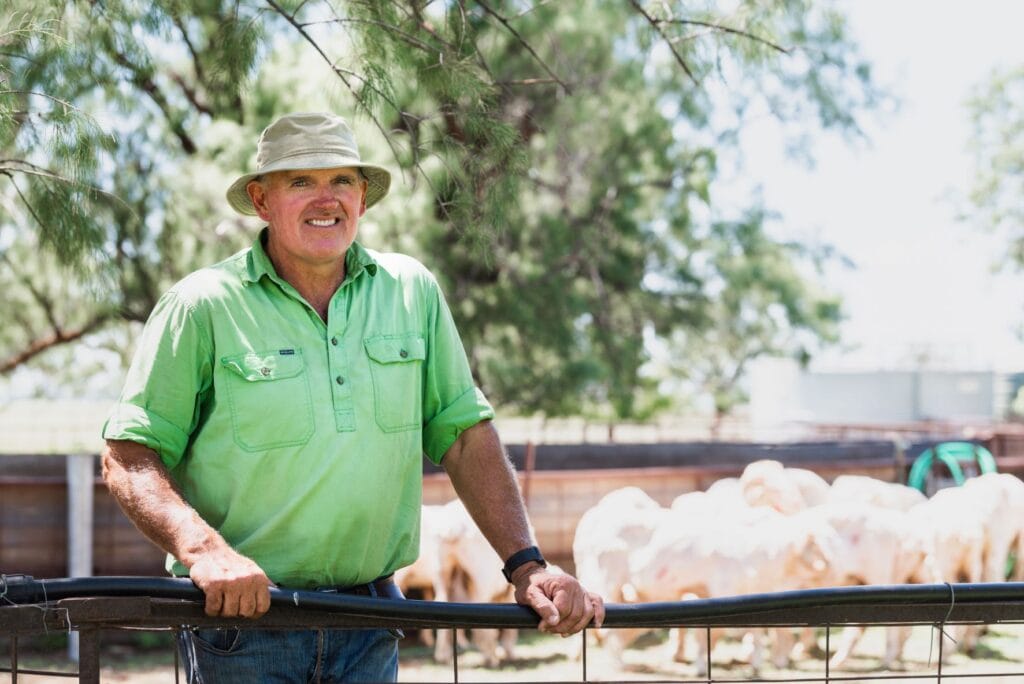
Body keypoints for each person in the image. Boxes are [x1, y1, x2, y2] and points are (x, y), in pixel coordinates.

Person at [100, 111, 604, 682]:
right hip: (242, 629)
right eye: (300, 182)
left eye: (341, 180)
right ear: (262, 201)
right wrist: (203, 550)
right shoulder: (202, 306)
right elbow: (128, 456)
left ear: (363, 197)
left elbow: (464, 437)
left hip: (369, 620)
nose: (326, 198)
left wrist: (526, 566)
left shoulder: (411, 292)